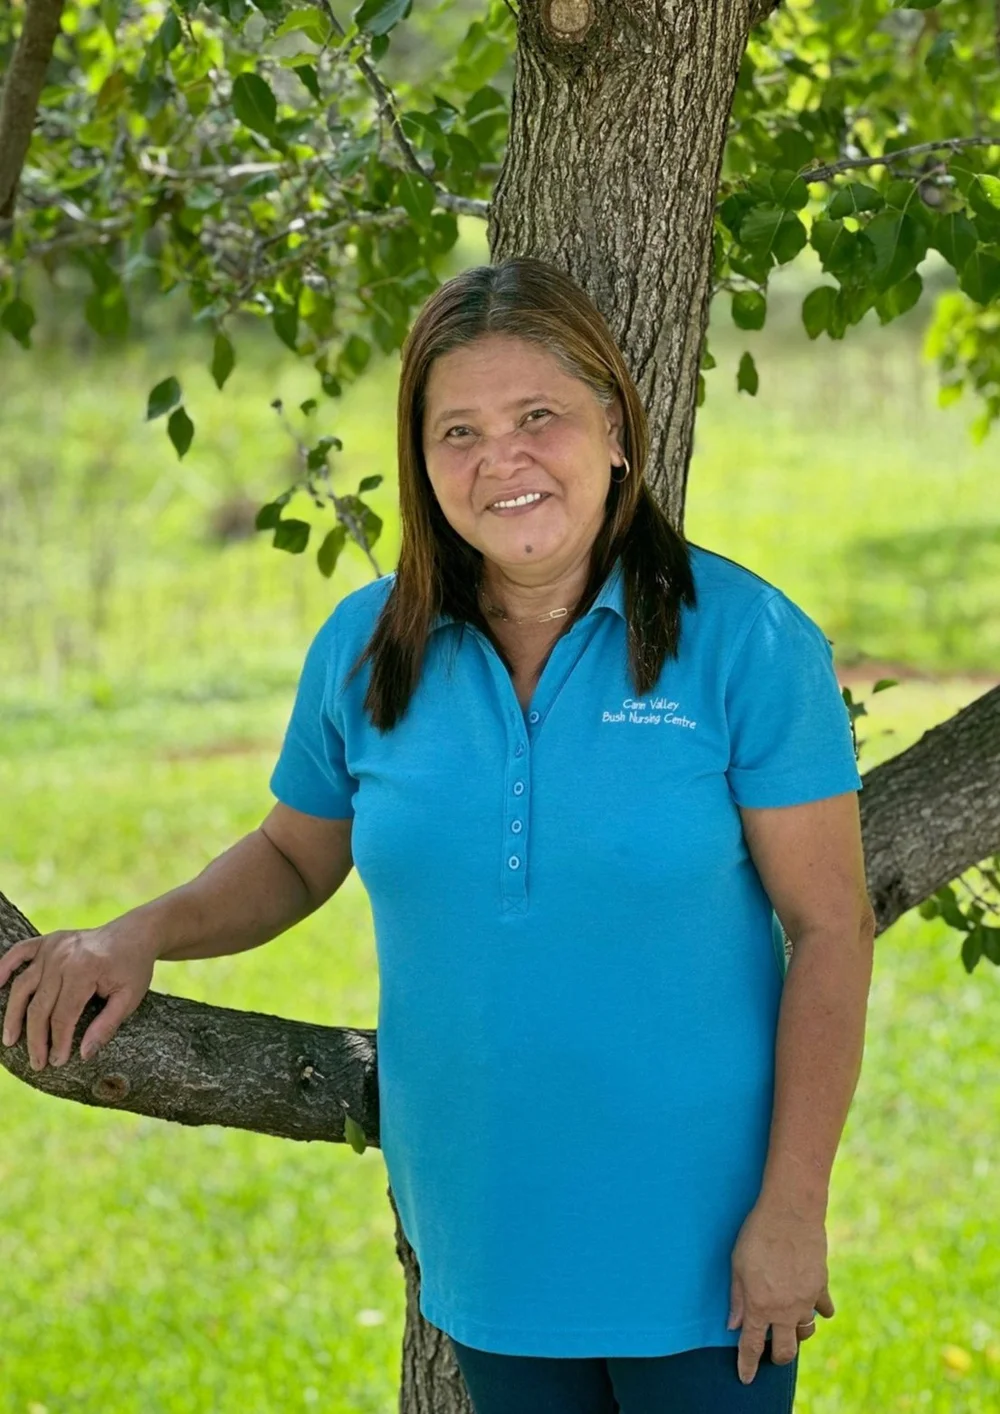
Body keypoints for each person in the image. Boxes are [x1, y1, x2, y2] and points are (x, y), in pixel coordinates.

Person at [0, 256, 875, 1414]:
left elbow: (830, 929)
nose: (498, 459)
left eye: (537, 416)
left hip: (707, 1258)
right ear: (420, 463)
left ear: (613, 426)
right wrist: (135, 933)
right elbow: (293, 856)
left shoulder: (749, 644)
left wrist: (793, 1208)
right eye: (455, 430)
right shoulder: (366, 650)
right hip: (483, 1241)